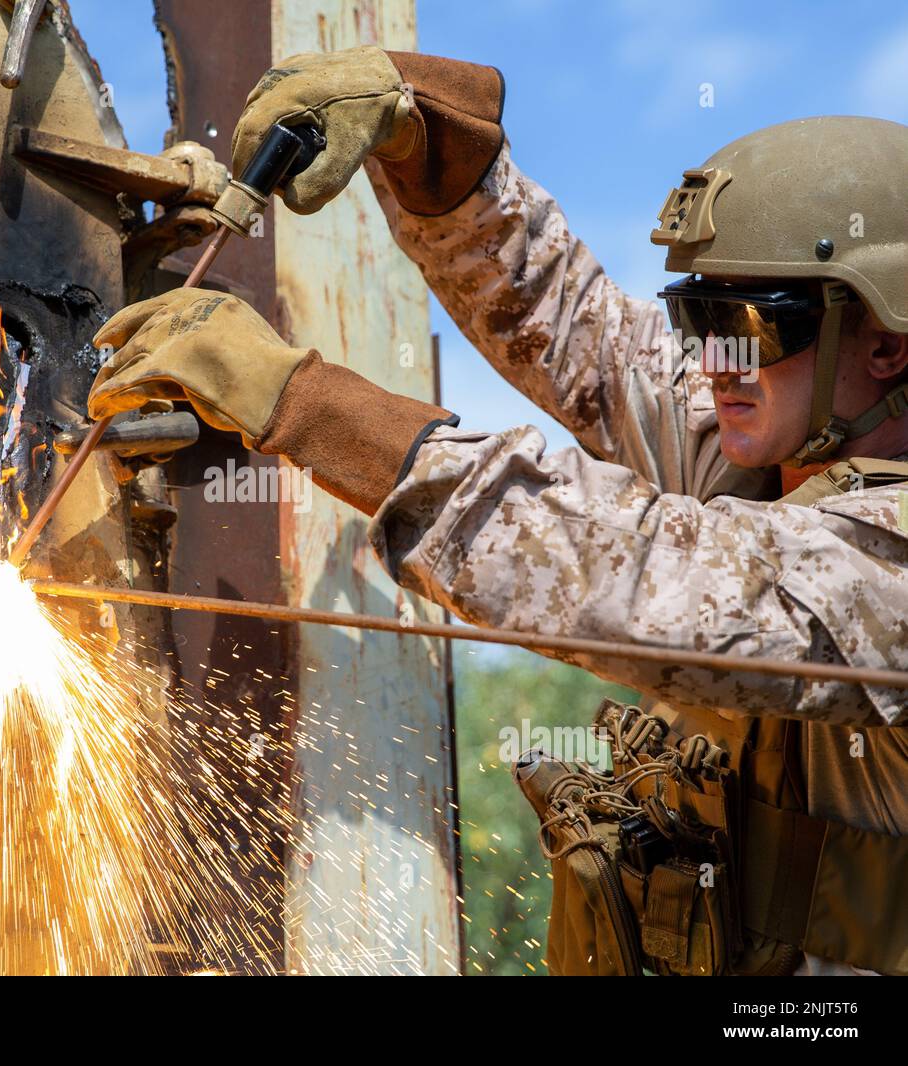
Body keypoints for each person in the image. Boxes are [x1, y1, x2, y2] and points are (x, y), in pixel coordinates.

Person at [86, 46, 908, 975]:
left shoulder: (890, 569)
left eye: (755, 325)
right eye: (699, 316)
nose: (714, 361)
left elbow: (636, 575)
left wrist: (305, 406)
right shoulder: (769, 443)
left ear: (881, 343)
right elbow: (579, 331)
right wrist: (434, 145)